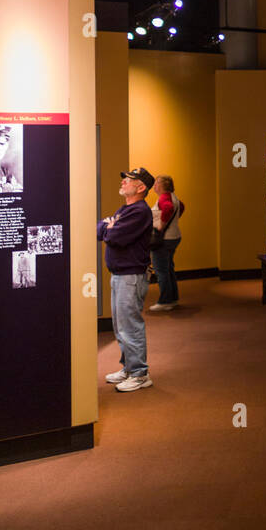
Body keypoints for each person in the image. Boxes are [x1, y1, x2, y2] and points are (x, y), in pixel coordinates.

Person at [97, 167, 155, 392]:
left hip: (130, 276)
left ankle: (140, 373)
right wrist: (109, 227)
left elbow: (114, 236)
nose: (123, 182)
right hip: (121, 275)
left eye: (129, 180)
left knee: (130, 325)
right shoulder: (126, 209)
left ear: (141, 188)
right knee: (120, 325)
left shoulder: (139, 211)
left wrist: (111, 228)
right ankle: (129, 368)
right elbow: (100, 229)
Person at [148, 174, 186, 313]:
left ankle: (165, 301)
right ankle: (173, 298)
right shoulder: (173, 196)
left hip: (164, 239)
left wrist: (161, 226)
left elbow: (168, 208)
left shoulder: (165, 198)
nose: (155, 185)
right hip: (174, 236)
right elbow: (181, 207)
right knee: (169, 269)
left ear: (163, 185)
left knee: (161, 271)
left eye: (157, 183)